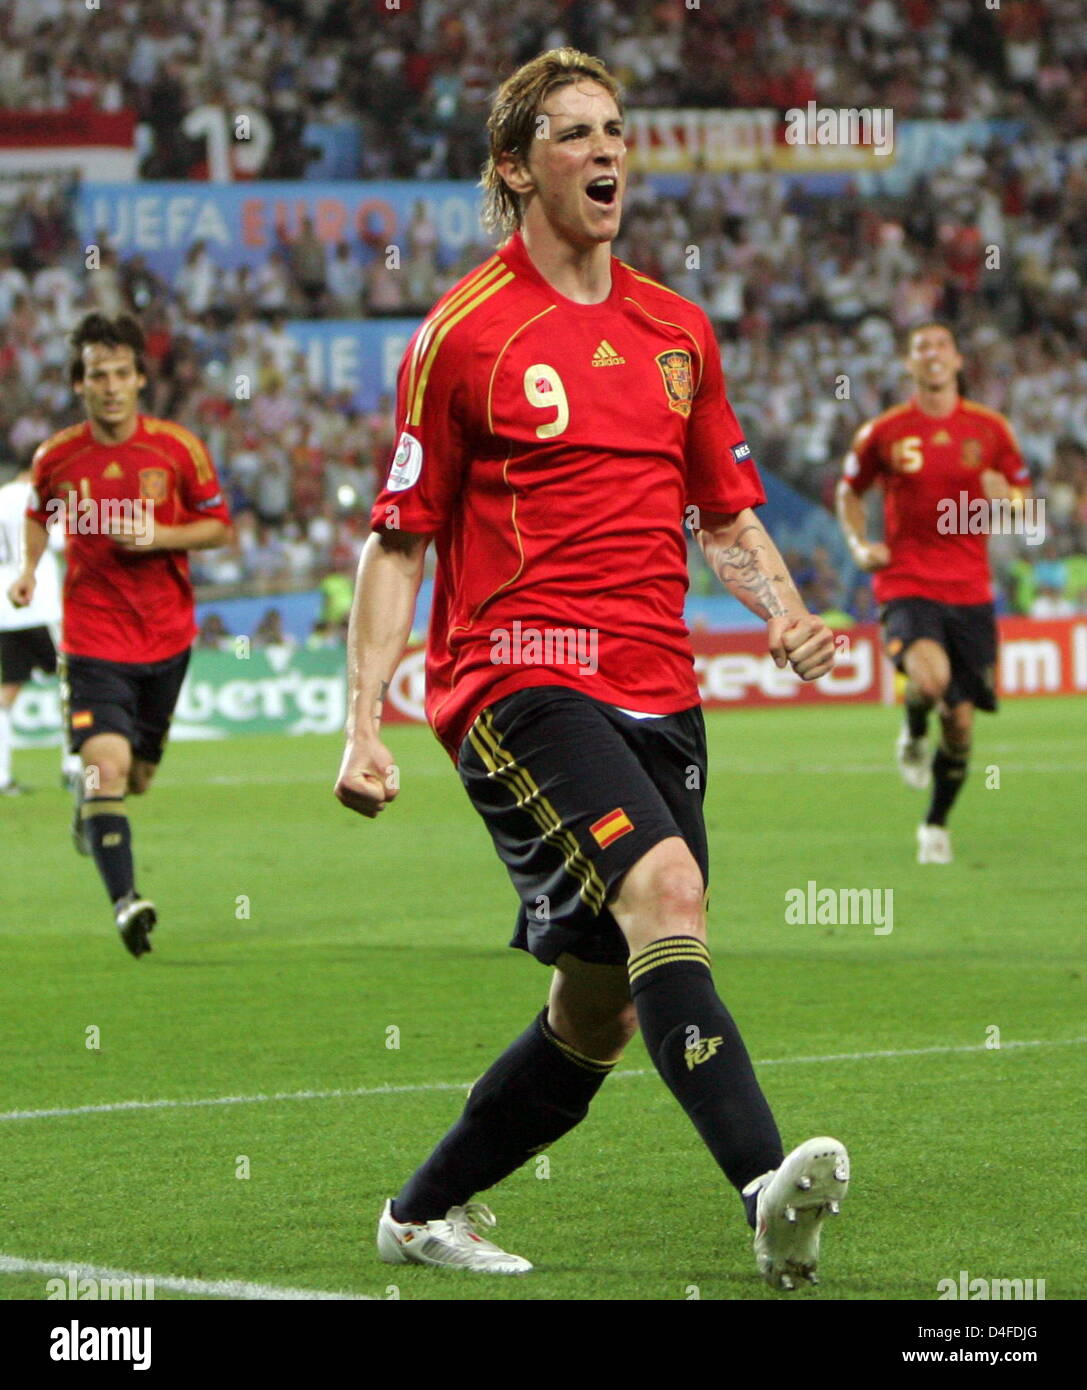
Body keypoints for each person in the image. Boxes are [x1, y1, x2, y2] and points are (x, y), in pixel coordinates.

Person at [335, 48, 849, 1291]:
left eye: (616, 128)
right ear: (515, 168)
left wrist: (783, 612)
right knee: (667, 892)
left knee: (598, 1010)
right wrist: (363, 721)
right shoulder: (465, 332)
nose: (607, 151)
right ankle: (764, 1193)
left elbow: (723, 514)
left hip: (660, 687)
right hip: (519, 678)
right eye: (573, 134)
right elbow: (399, 539)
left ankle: (419, 1211)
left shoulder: (675, 330)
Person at [6, 313, 231, 956]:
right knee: (107, 767)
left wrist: (162, 536)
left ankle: (91, 809)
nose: (110, 386)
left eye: (121, 374)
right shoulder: (57, 458)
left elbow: (219, 528)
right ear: (80, 385)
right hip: (92, 638)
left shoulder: (178, 449)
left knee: (136, 779)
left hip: (166, 638)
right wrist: (27, 569)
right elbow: (37, 516)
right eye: (97, 375)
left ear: (139, 380)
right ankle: (127, 901)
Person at [836, 322, 1031, 863]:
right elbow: (848, 491)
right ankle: (914, 726)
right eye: (921, 347)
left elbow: (1023, 498)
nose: (932, 354)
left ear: (959, 358)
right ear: (909, 364)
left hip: (970, 590)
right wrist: (857, 542)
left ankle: (935, 823)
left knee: (962, 724)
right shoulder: (886, 431)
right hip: (908, 582)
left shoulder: (991, 430)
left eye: (942, 344)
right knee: (931, 678)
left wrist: (1010, 499)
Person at [0, 465, 83, 795]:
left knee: (7, 692)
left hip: (5, 608)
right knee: (75, 681)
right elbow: (66, 543)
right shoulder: (41, 499)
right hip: (41, 603)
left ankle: (2, 776)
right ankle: (73, 767)